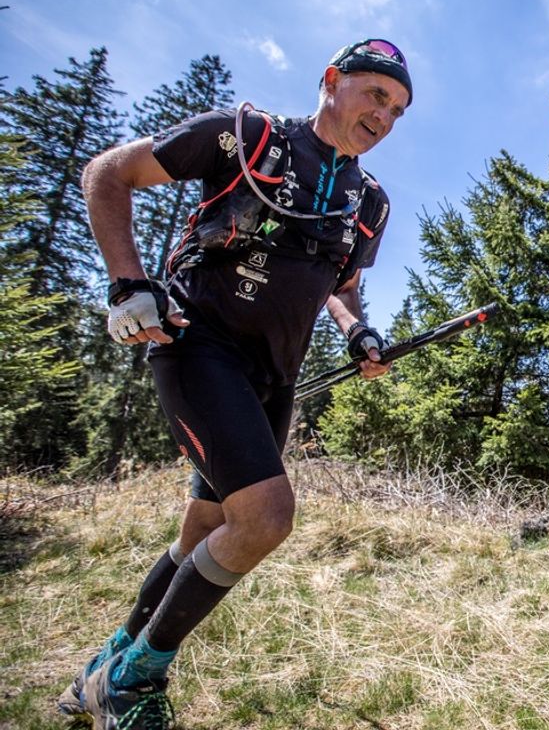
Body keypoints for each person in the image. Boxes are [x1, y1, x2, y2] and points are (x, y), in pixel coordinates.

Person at [57, 38, 413, 729]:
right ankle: (133, 683)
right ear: (333, 81)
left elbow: (343, 286)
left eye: (398, 110)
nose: (385, 117)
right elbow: (108, 172)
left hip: (272, 376)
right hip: (197, 344)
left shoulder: (367, 200)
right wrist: (129, 285)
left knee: (207, 529)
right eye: (376, 93)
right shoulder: (243, 137)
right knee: (266, 518)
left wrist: (357, 332)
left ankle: (101, 669)